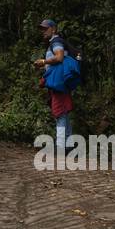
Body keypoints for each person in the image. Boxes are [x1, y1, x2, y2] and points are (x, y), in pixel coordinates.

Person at [34, 18, 73, 158]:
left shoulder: (56, 42)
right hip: (60, 84)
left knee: (59, 114)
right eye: (42, 29)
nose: (43, 31)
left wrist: (43, 61)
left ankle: (61, 147)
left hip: (59, 85)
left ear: (54, 29)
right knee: (64, 113)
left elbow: (60, 57)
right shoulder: (55, 42)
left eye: (46, 28)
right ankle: (68, 147)